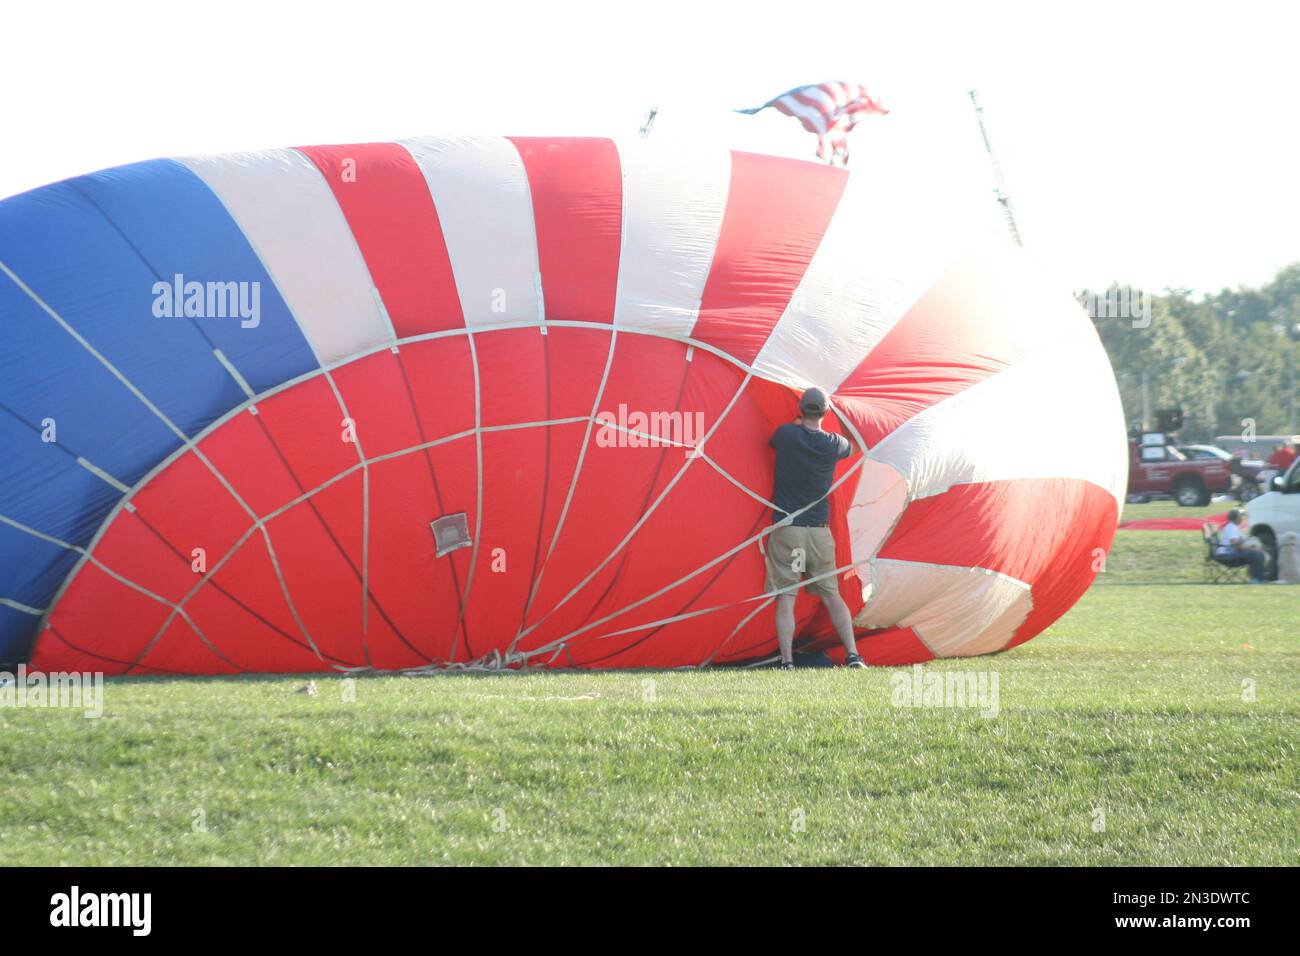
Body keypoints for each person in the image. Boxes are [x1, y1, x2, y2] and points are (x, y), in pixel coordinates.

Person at [765, 386, 864, 669]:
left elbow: (776, 440)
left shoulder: (786, 435)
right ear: (825, 412)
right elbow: (855, 444)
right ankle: (853, 655)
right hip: (819, 534)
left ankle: (787, 661)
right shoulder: (833, 444)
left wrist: (797, 424)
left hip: (789, 530)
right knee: (831, 595)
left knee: (786, 597)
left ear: (801, 409)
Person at [1216, 509, 1267, 583]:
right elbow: (1237, 546)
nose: (1242, 518)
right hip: (1225, 554)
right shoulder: (1231, 527)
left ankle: (1260, 578)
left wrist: (1252, 546)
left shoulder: (1233, 527)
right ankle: (1258, 579)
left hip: (1229, 552)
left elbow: (1239, 543)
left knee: (1257, 553)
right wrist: (1253, 548)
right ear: (1237, 518)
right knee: (1254, 554)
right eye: (1241, 516)